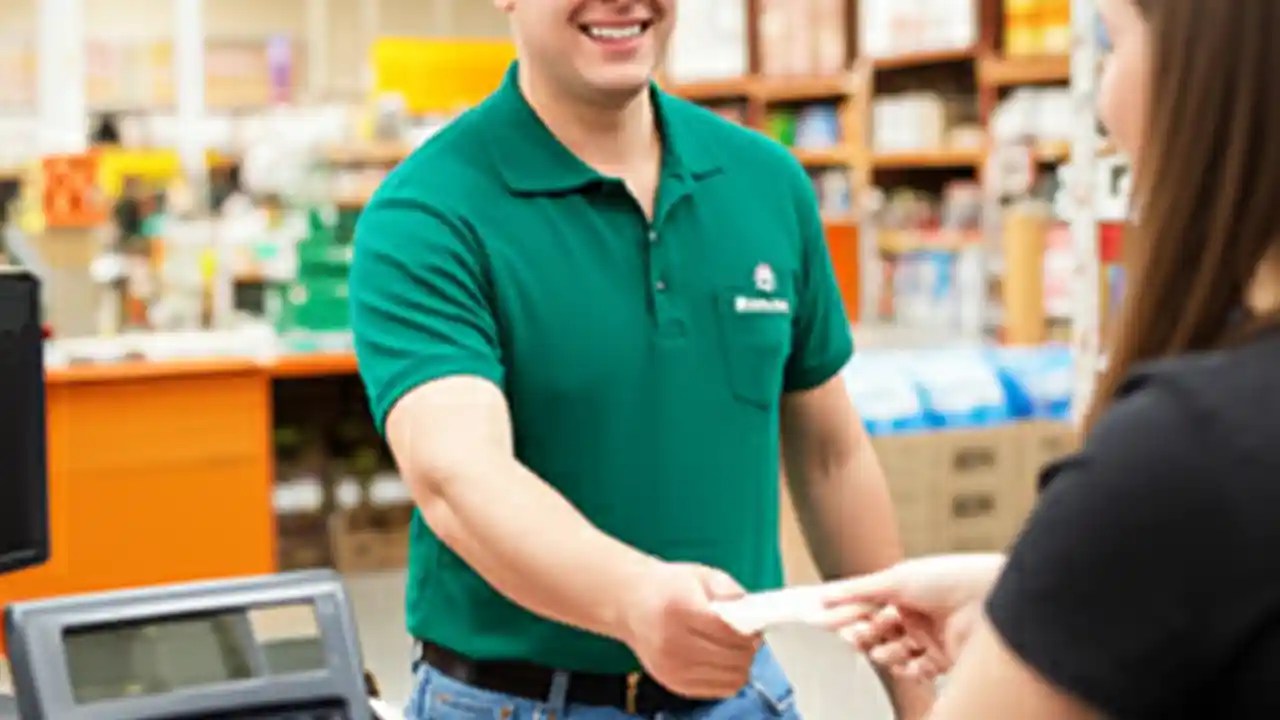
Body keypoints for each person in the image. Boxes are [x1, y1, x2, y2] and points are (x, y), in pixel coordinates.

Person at [349, 1, 934, 718]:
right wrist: (632, 600)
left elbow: (830, 458)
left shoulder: (764, 183)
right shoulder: (430, 213)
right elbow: (459, 478)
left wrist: (920, 696)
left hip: (738, 696)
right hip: (518, 702)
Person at [822, 0, 1280, 717]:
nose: (1101, 104)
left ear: (1207, 75)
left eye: (1113, 46)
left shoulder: (1187, 452)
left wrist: (1069, 591)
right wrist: (1050, 595)